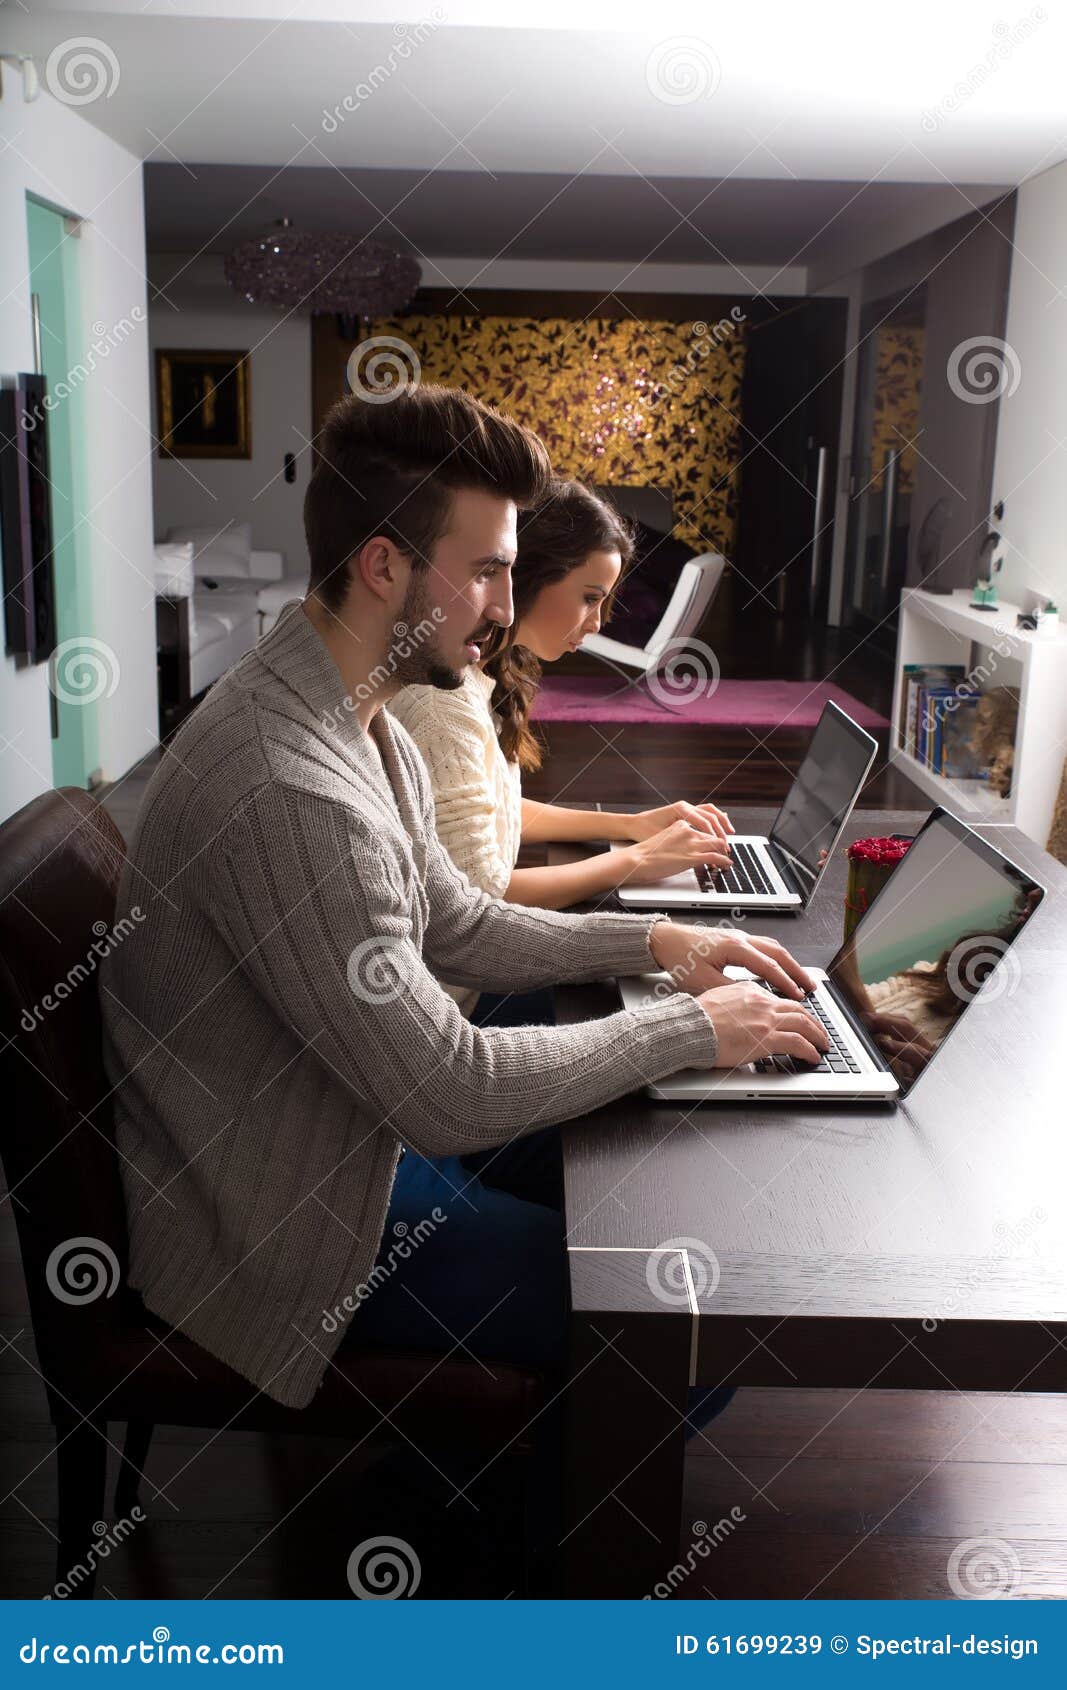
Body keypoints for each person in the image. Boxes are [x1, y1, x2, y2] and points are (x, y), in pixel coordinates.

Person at [99, 384, 827, 1451]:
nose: (503, 600)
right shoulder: (290, 786)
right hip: (296, 1228)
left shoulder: (357, 710)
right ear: (383, 565)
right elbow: (447, 1091)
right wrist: (691, 1022)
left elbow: (455, 921)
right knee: (682, 1327)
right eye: (486, 568)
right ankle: (537, 1587)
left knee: (654, 1158)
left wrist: (660, 942)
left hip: (353, 1134)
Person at [389, 480, 735, 1006]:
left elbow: (489, 812)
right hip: (453, 1002)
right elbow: (483, 899)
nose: (596, 624)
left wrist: (630, 826)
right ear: (530, 574)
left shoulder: (482, 675)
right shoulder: (443, 704)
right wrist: (638, 859)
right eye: (589, 598)